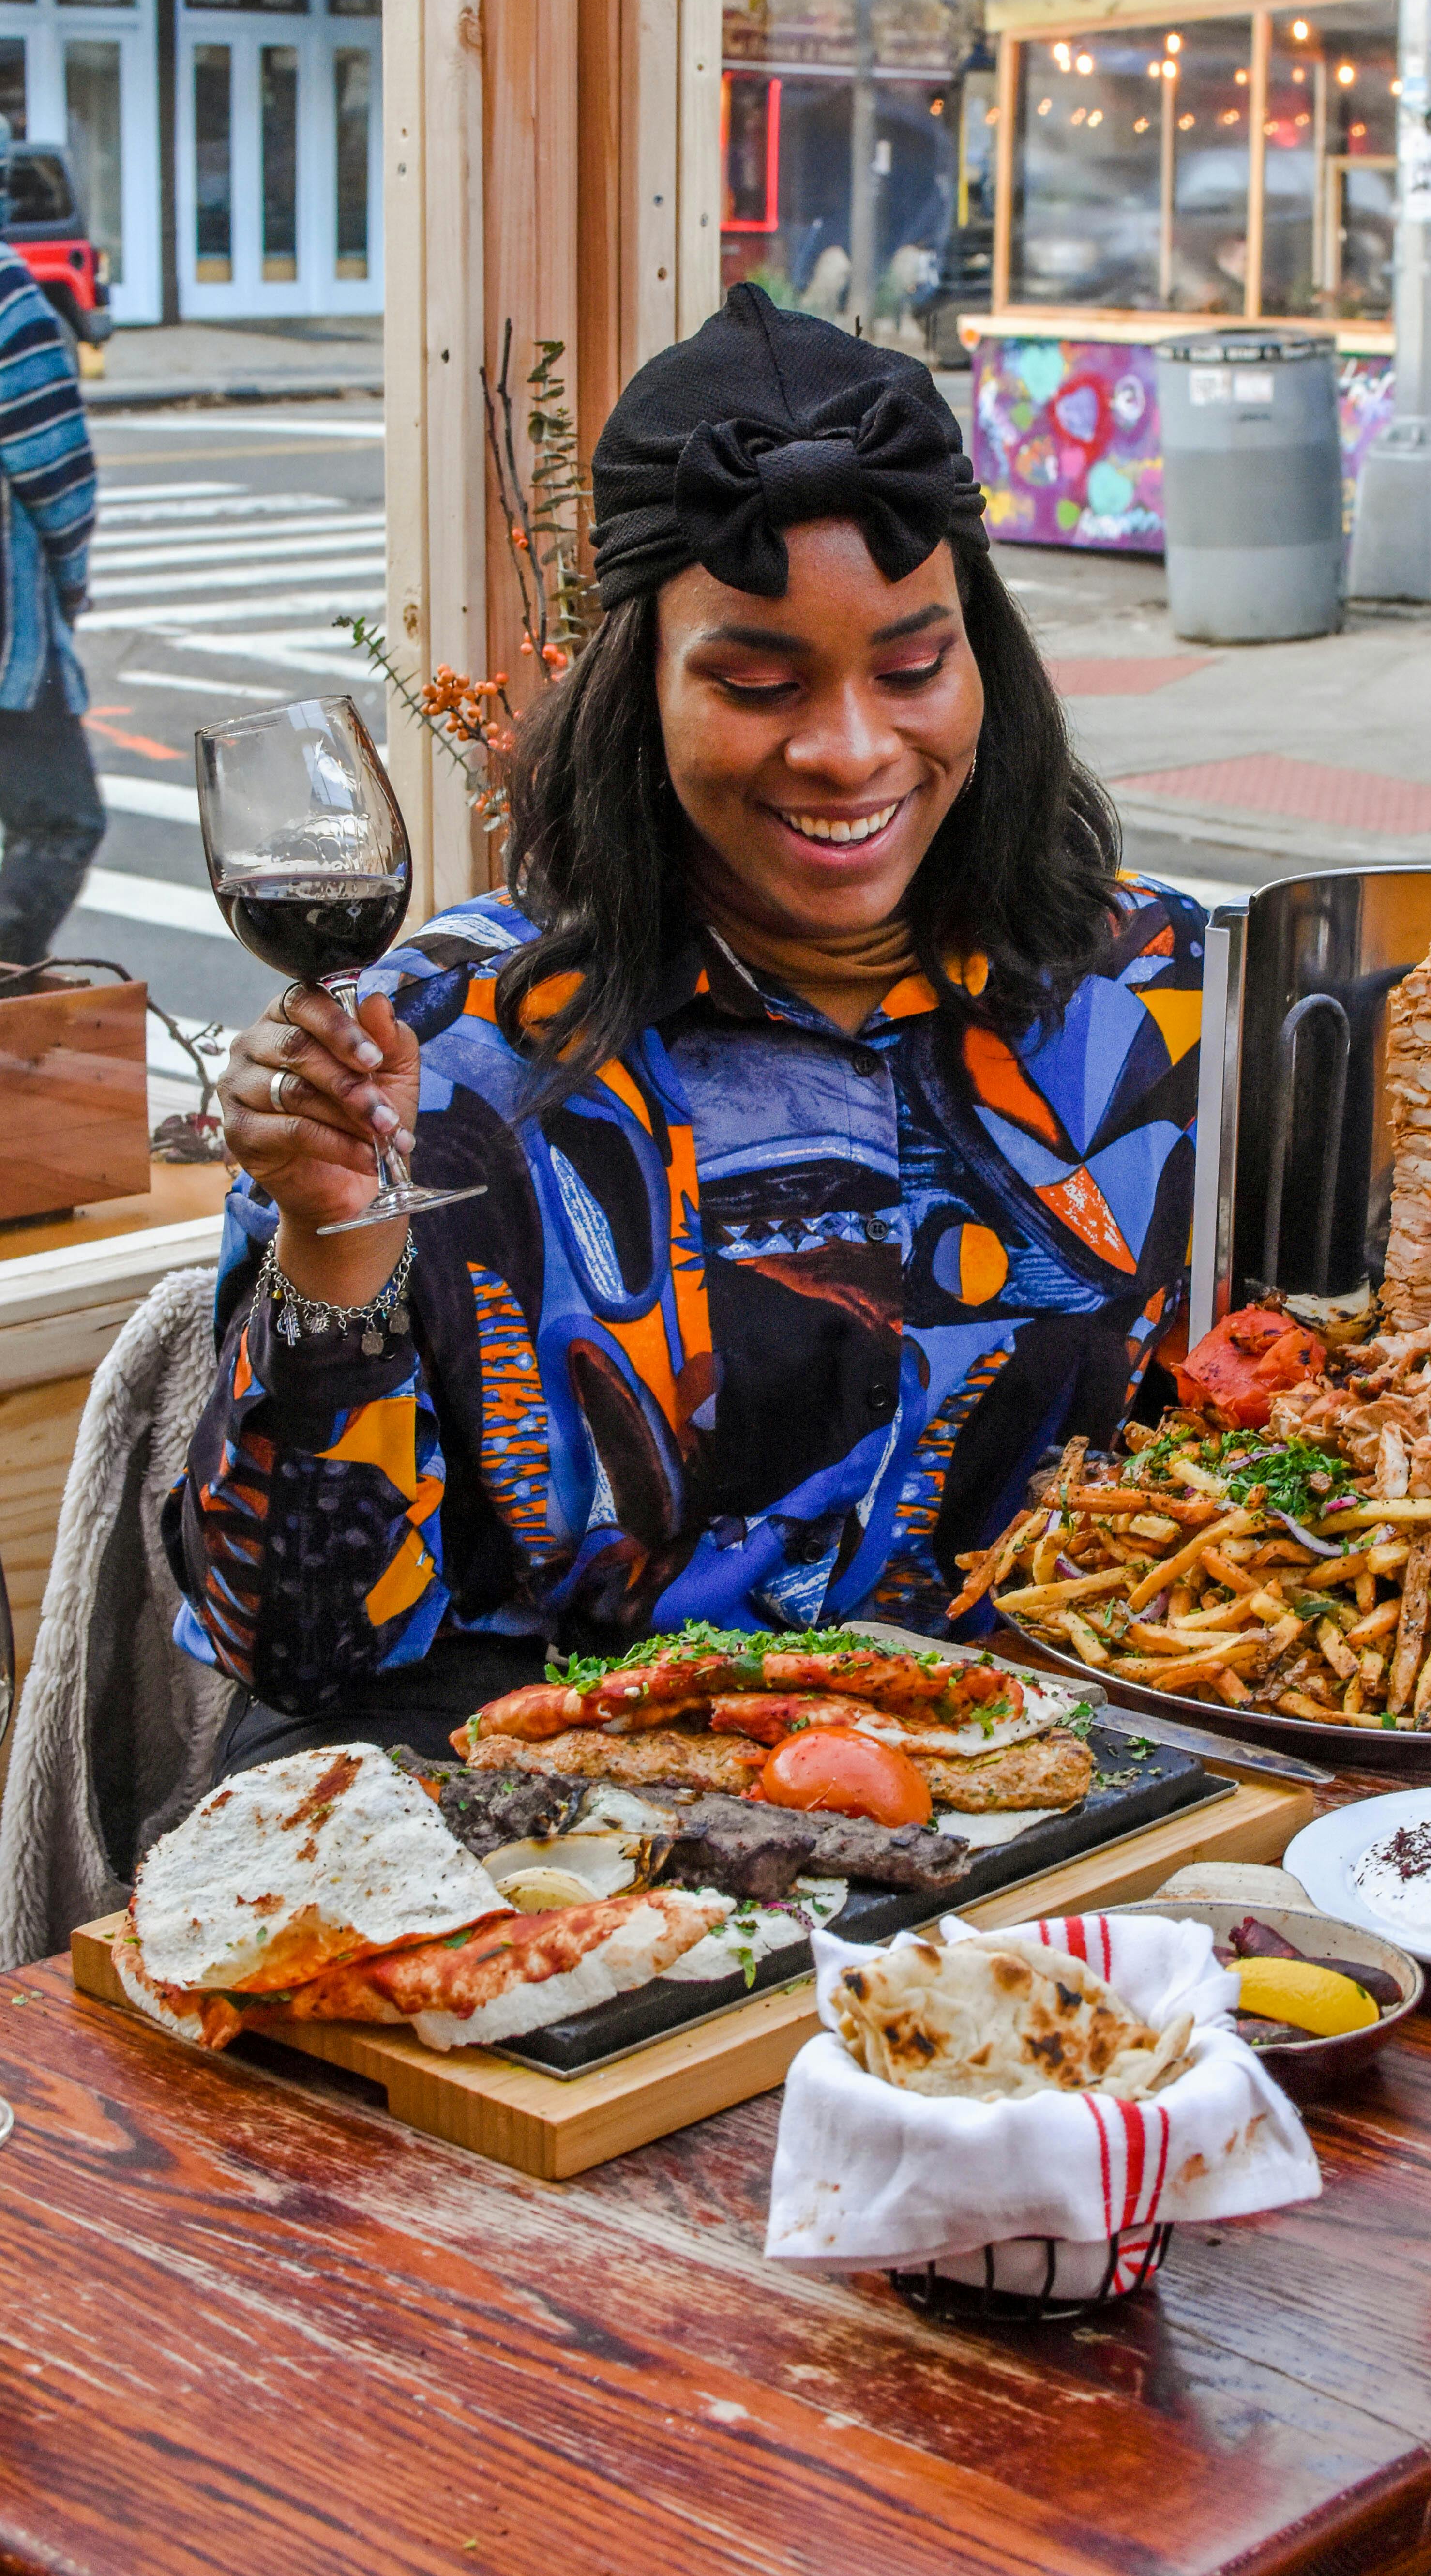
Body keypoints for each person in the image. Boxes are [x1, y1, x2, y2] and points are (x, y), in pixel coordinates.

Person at [167, 285, 1205, 1768]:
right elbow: (297, 1650)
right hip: (549, 1810)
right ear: (637, 694)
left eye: (913, 668)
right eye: (759, 682)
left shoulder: (1152, 988)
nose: (851, 748)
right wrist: (334, 1247)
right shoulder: (436, 1052)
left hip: (1028, 1789)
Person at [0, 118, 99, 971]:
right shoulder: (10, 302)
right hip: (9, 639)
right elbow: (59, 478)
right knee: (63, 821)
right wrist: (69, 588)